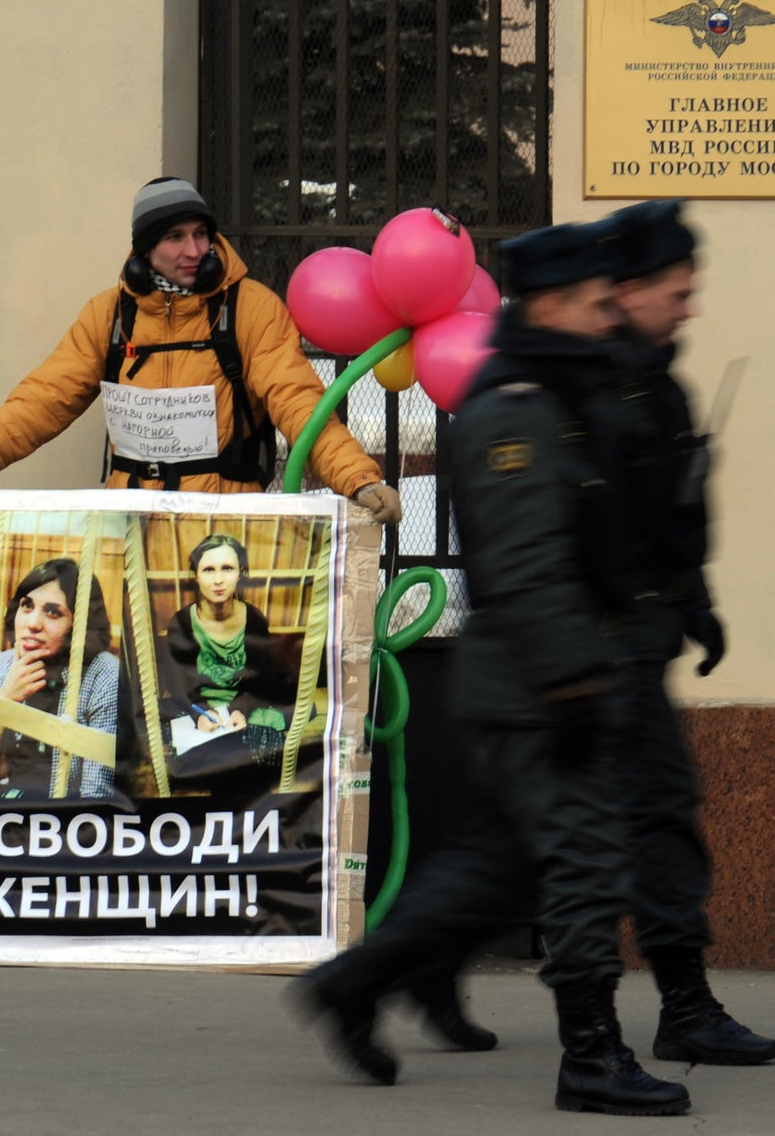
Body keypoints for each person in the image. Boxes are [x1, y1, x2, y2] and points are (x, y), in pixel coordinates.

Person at [291, 220, 692, 1117]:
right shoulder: (515, 407)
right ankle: (591, 1053)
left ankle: (355, 983)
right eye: (595, 301)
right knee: (584, 863)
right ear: (550, 302)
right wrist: (576, 681)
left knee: (501, 869)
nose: (609, 312)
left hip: (551, 676)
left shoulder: (564, 391)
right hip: (541, 688)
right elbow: (525, 566)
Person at [0, 177, 402, 525]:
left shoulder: (250, 308)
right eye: (175, 237)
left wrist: (357, 479)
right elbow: (34, 409)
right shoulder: (108, 315)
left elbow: (298, 403)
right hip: (129, 530)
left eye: (202, 234)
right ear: (143, 250)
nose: (194, 250)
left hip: (222, 531)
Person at [595, 199, 775, 1067]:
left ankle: (394, 972)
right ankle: (684, 1006)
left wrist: (694, 598)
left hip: (639, 635)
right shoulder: (594, 388)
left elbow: (668, 515)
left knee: (526, 838)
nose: (691, 305)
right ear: (628, 290)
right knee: (658, 817)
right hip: (602, 648)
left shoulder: (654, 382)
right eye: (678, 287)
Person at [0, 557, 120, 799]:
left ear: (79, 625)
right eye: (27, 606)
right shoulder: (4, 665)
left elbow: (95, 796)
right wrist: (5, 701)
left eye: (52, 612)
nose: (33, 623)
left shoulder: (104, 674)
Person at [160, 532, 294, 770]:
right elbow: (178, 682)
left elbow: (260, 679)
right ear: (196, 576)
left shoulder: (254, 620)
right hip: (201, 709)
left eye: (227, 569)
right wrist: (199, 714)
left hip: (243, 707)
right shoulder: (181, 623)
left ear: (240, 574)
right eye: (209, 570)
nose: (218, 580)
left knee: (275, 750)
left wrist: (239, 711)